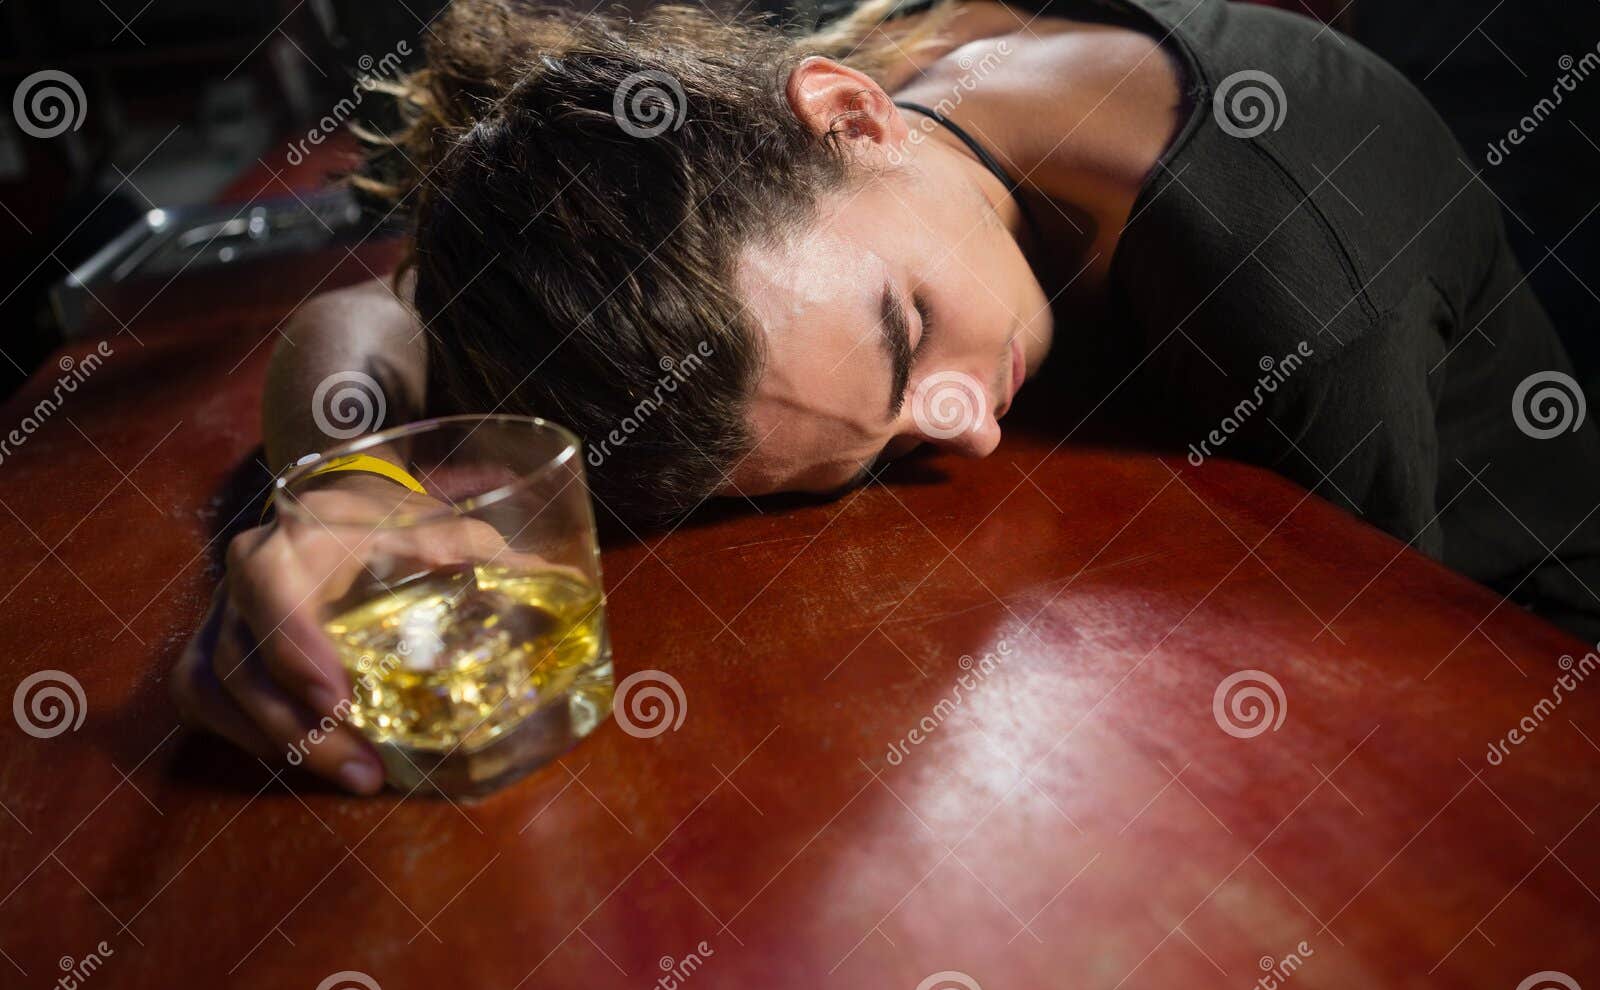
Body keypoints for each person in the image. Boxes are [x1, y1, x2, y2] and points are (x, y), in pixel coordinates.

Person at [171, 0, 1600, 793]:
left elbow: (1381, 744)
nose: (968, 426)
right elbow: (378, 310)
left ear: (848, 115)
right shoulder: (860, 129)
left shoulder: (1304, 305)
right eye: (878, 444)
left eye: (911, 336)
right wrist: (351, 485)